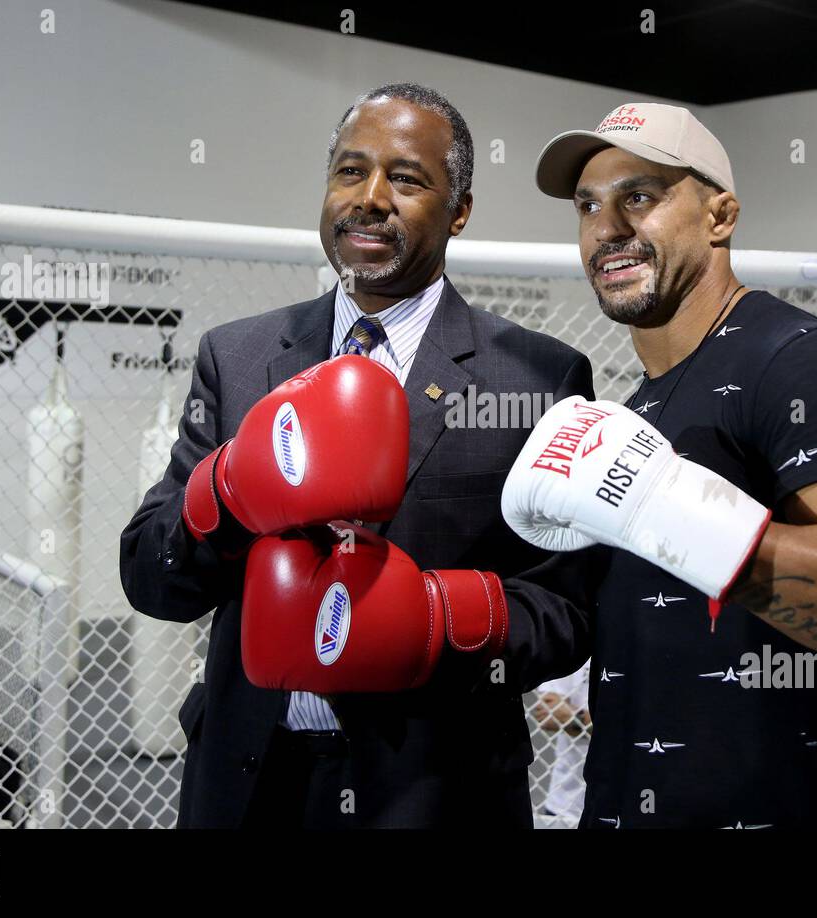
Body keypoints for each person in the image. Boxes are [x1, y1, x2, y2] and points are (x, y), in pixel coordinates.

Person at [119, 83, 596, 828]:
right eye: (350, 171)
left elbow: (565, 611)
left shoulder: (535, 377)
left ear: (459, 211)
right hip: (250, 782)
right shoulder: (239, 358)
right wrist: (229, 492)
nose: (371, 197)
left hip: (434, 789)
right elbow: (154, 579)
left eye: (406, 178)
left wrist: (435, 619)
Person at [501, 102, 817, 828]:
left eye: (639, 197)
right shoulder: (639, 410)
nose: (607, 227)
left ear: (720, 216)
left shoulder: (800, 363)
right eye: (588, 206)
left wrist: (664, 510)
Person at [532, 660, 591, 826]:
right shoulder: (585, 640)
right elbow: (547, 711)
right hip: (566, 802)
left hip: (621, 800)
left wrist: (573, 718)